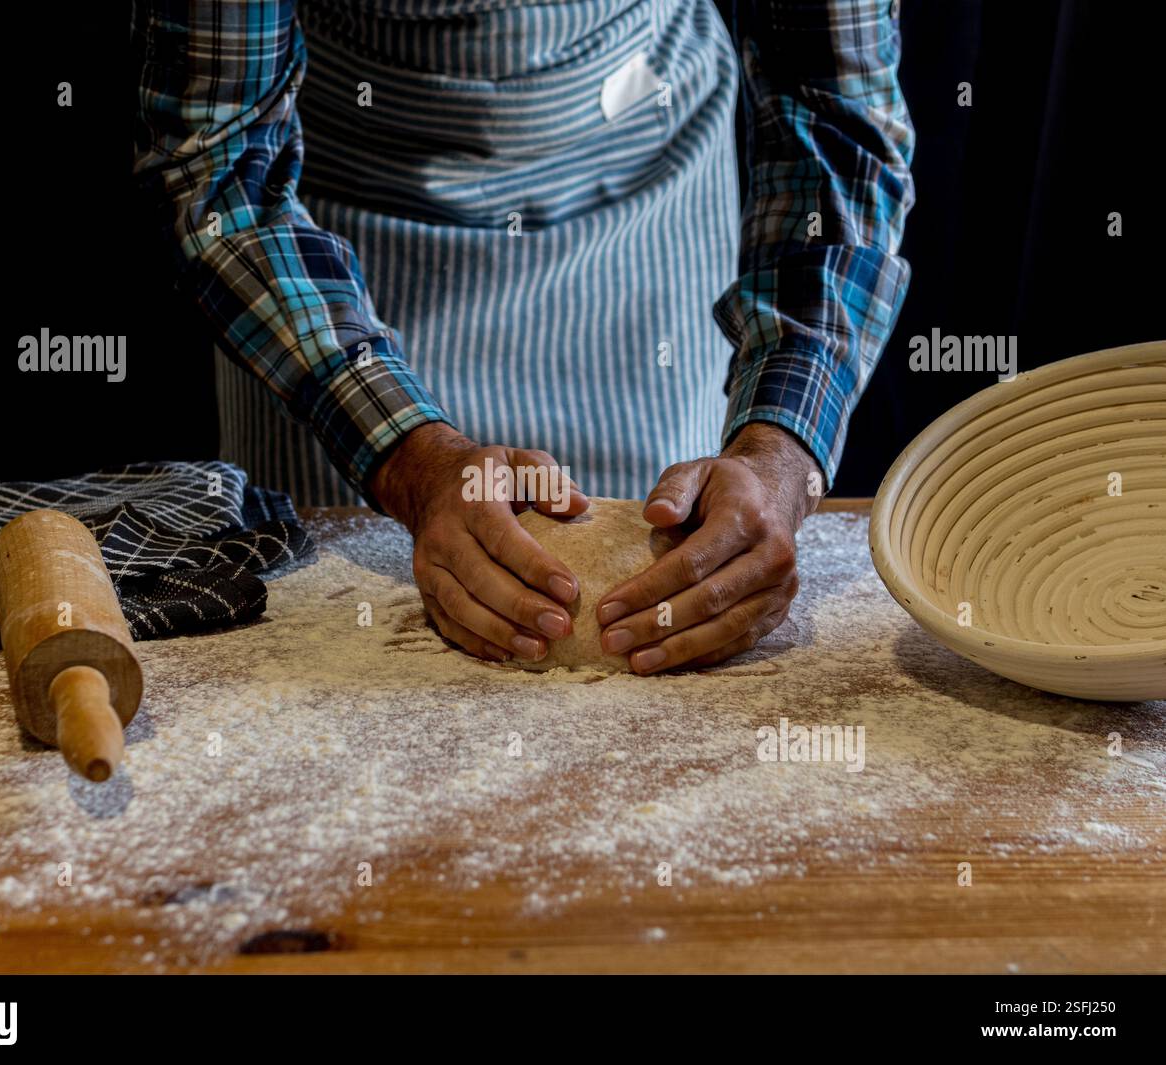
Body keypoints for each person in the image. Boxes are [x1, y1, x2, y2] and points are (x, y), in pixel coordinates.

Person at [132, 0, 914, 672]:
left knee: (664, 627)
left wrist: (778, 456)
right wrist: (410, 460)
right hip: (340, 254)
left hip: (643, 203)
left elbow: (837, 118)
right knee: (348, 659)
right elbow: (218, 162)